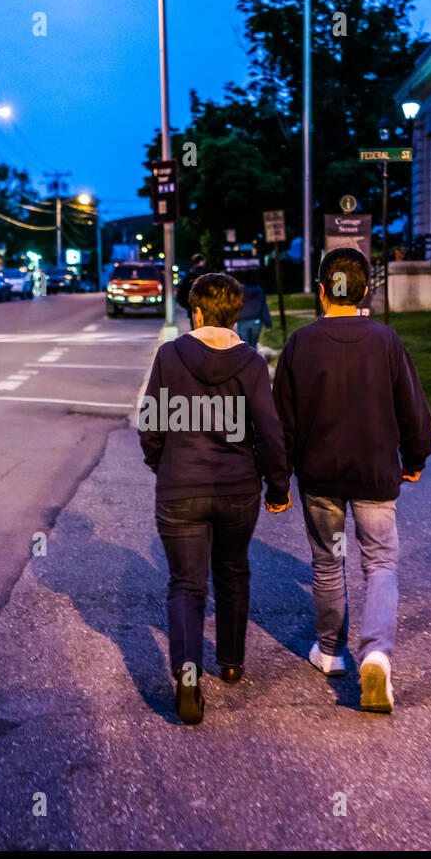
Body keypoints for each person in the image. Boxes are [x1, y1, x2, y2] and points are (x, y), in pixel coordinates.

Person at [272, 248, 431, 714]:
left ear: (322, 291)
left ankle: (329, 652)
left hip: (319, 474)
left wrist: (278, 484)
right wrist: (415, 456)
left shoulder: (300, 344)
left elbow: (282, 422)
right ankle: (377, 652)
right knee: (380, 562)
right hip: (376, 471)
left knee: (327, 562)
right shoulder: (386, 341)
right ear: (366, 292)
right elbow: (413, 410)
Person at [139, 272, 292, 725]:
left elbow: (151, 424)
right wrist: (278, 486)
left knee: (186, 585)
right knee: (232, 571)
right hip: (237, 489)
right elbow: (268, 430)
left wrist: (160, 464)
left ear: (199, 312)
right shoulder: (250, 361)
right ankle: (230, 662)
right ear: (236, 313)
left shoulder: (169, 356)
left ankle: (187, 674)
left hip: (180, 487)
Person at [234, 269, 272, 350]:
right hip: (256, 322)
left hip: (242, 321)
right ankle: (253, 361)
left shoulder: (240, 290)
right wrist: (268, 323)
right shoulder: (259, 290)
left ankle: (246, 362)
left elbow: (236, 306)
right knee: (253, 346)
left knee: (244, 347)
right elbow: (264, 308)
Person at [176, 254, 207, 319]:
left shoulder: (189, 277)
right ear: (201, 262)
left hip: (193, 309)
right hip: (207, 309)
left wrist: (189, 307)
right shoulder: (207, 275)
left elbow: (181, 295)